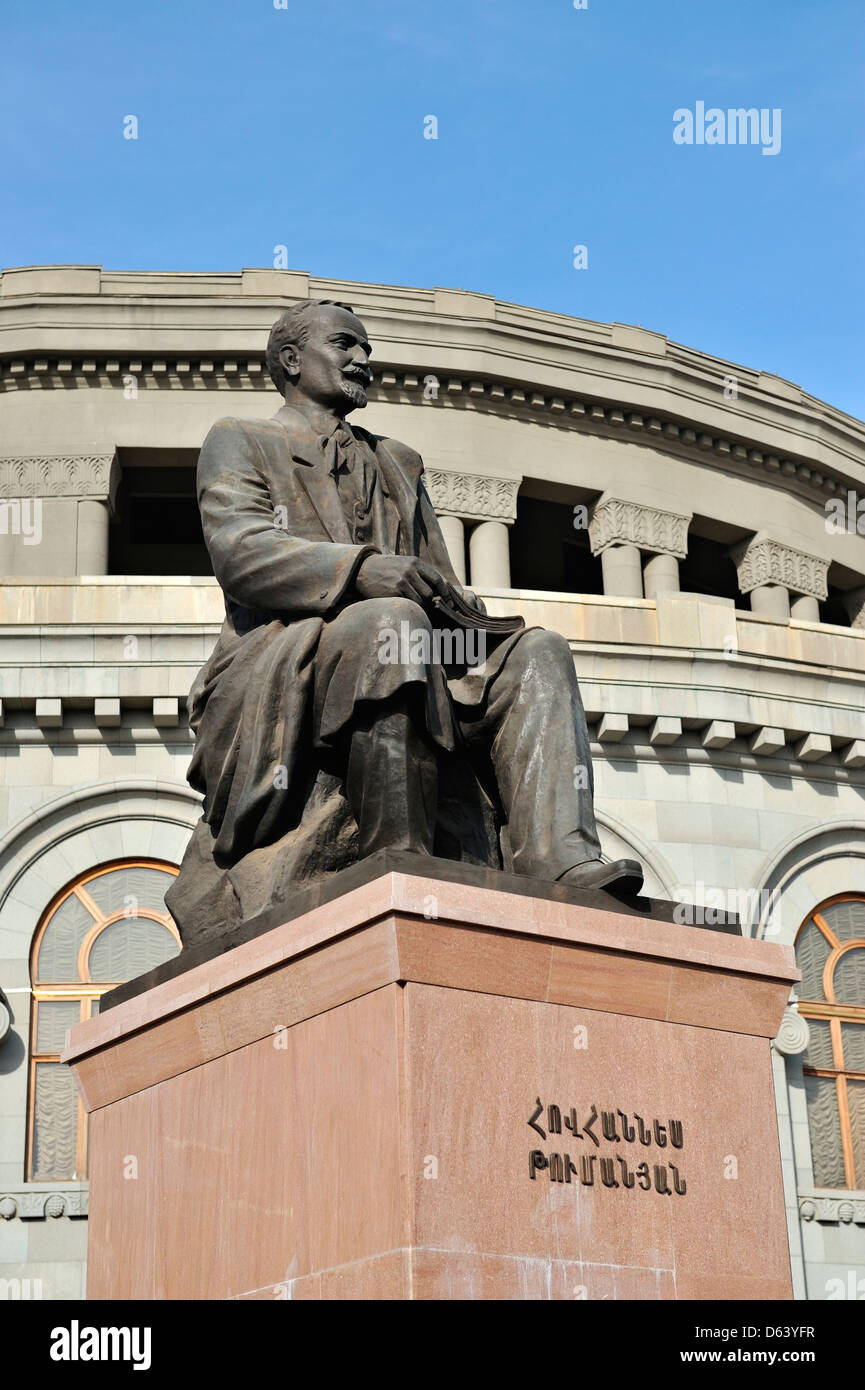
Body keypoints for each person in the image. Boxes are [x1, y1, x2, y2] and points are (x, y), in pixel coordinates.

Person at [168, 299, 642, 941]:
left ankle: (558, 857)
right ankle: (400, 850)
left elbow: (433, 575)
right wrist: (360, 570)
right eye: (344, 345)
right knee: (387, 621)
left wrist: (469, 619)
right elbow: (242, 554)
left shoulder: (399, 461)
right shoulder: (242, 440)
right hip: (284, 657)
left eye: (367, 349)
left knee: (539, 651)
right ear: (290, 359)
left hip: (413, 640)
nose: (362, 360)